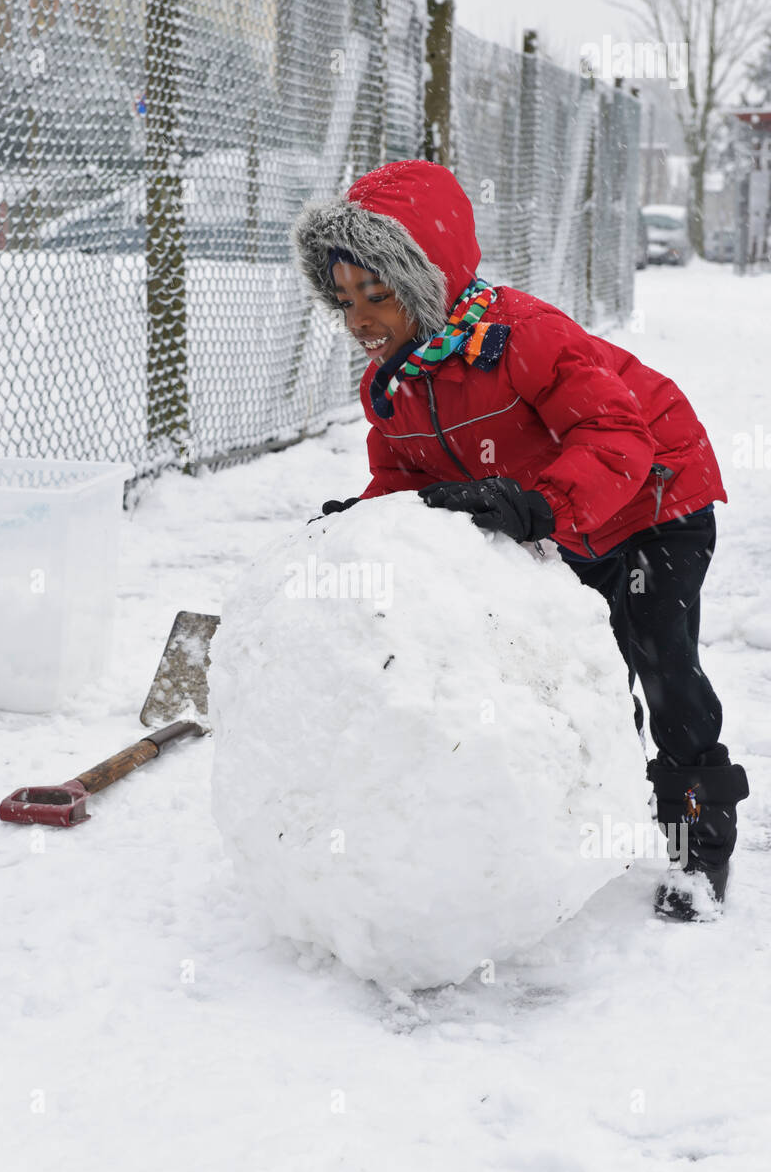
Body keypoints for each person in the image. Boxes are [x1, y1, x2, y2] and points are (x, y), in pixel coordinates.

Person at [293, 158, 748, 922]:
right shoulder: (394, 388)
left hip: (655, 498)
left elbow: (614, 430)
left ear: (428, 278)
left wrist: (542, 506)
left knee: (660, 663)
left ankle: (700, 845)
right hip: (560, 513)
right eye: (344, 301)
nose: (360, 320)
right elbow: (403, 481)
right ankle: (598, 801)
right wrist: (370, 524)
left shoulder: (523, 336)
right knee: (584, 665)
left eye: (378, 294)